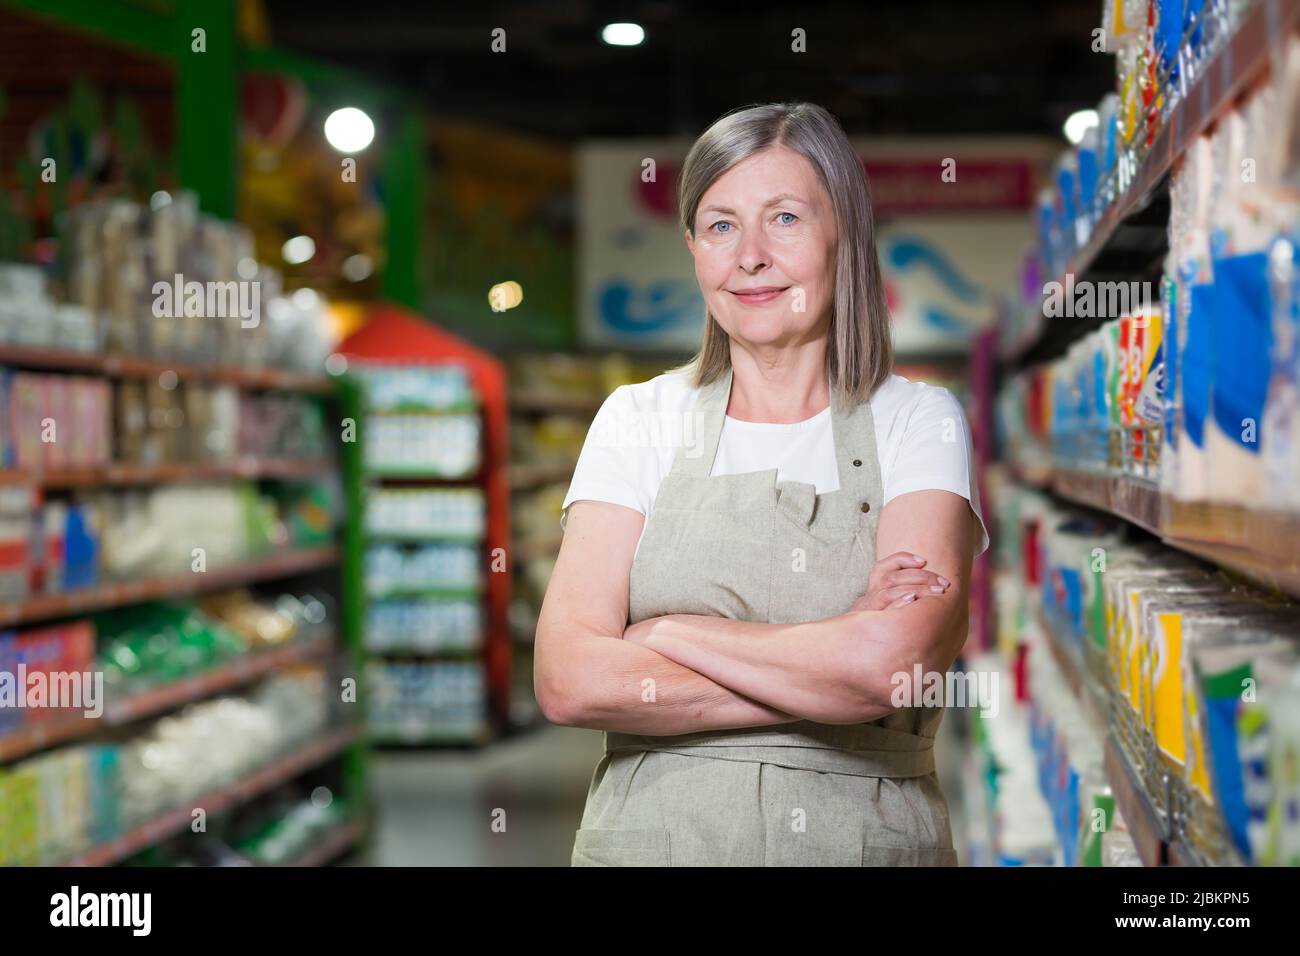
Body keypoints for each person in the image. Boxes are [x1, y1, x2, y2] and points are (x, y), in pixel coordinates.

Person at [534, 101, 989, 866]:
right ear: (693, 248)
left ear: (842, 235)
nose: (749, 256)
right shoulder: (637, 418)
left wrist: (668, 635)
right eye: (720, 226)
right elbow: (569, 679)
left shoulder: (919, 421)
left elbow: (894, 669)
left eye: (783, 218)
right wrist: (834, 672)